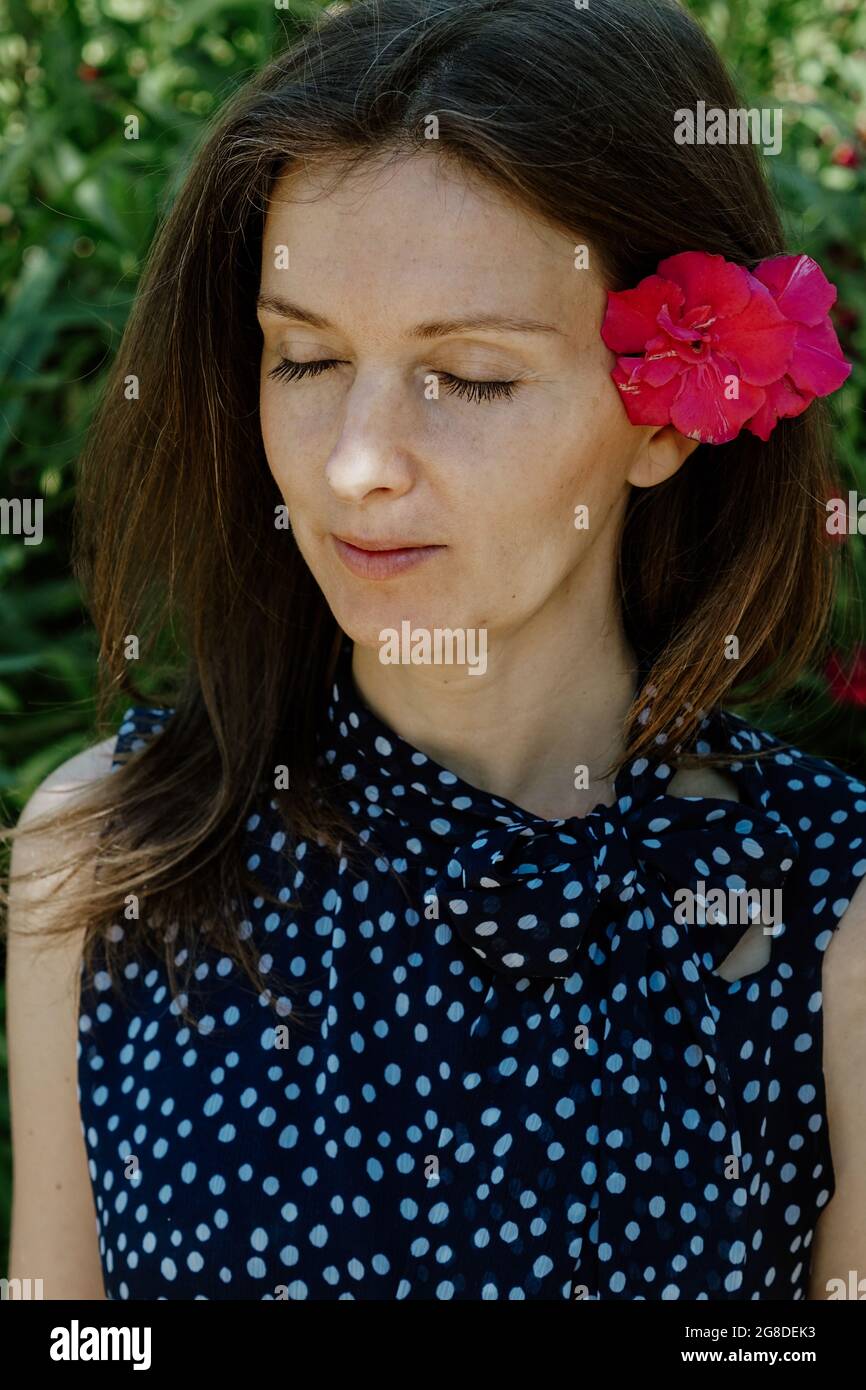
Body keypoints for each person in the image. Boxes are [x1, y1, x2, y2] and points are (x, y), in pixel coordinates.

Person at [5, 0, 865, 1301]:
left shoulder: (830, 918)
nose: (352, 462)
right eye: (303, 357)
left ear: (667, 418)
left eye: (467, 376)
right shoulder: (106, 857)